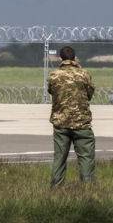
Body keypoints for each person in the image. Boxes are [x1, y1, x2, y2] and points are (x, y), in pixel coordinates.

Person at [47, 45, 96, 188]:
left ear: (60, 59)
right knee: (86, 158)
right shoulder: (84, 74)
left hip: (61, 123)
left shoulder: (54, 75)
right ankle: (88, 188)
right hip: (81, 123)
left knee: (59, 158)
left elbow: (51, 92)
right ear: (75, 58)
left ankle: (56, 188)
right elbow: (90, 94)